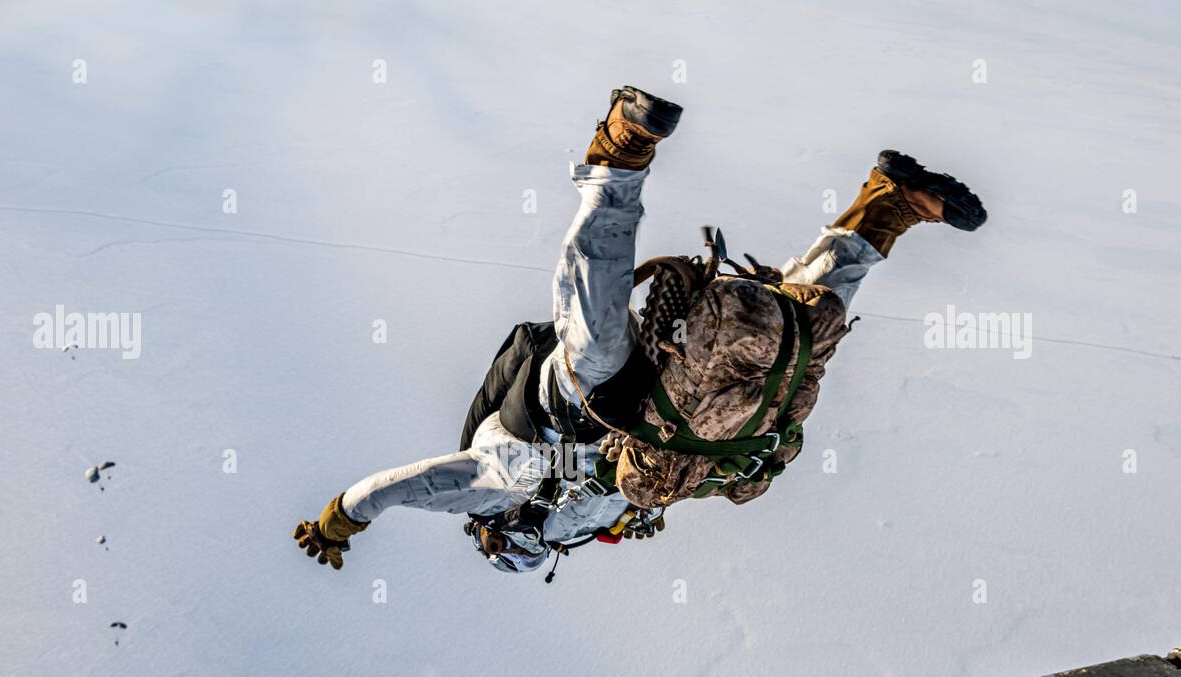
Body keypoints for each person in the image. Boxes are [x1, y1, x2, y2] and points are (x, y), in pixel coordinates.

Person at [294, 86, 985, 576]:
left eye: (506, 549)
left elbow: (410, 486)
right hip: (652, 422)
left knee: (594, 337)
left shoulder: (489, 487)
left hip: (576, 401)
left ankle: (618, 154)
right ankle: (889, 205)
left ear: (490, 531)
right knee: (791, 345)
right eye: (527, 560)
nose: (523, 547)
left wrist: (345, 515)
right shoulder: (596, 524)